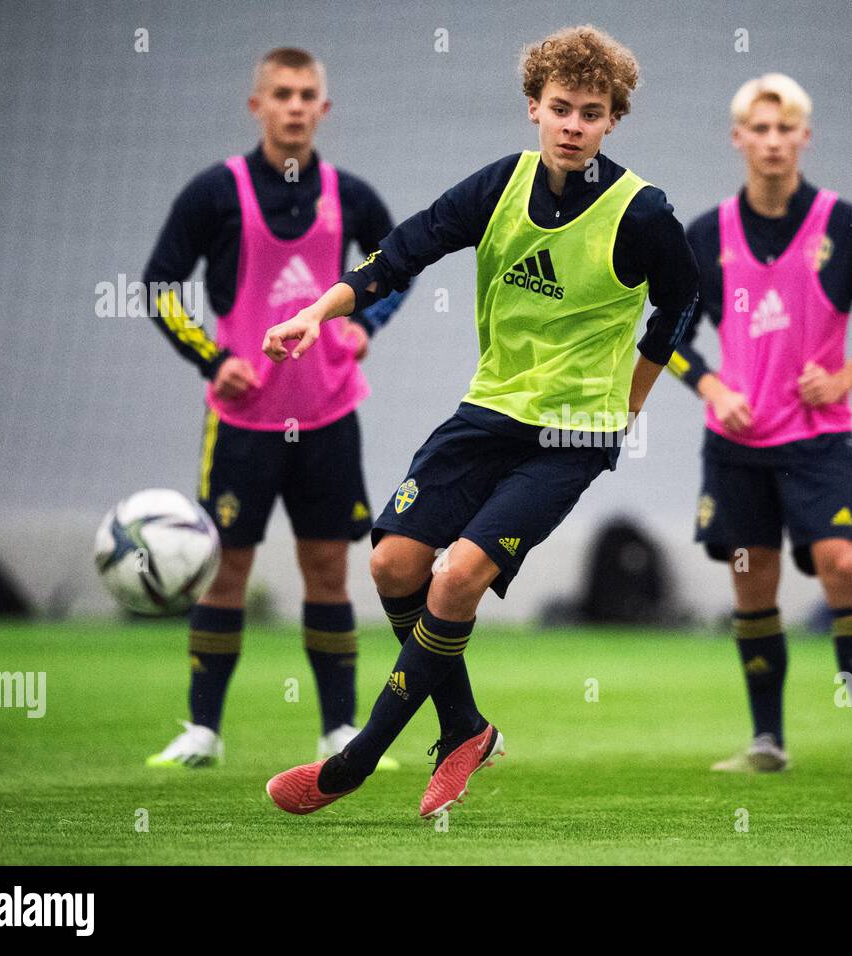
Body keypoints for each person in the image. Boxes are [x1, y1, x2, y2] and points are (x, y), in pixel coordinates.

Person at [261, 25, 699, 818]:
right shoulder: (500, 186)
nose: (573, 125)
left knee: (459, 573)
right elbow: (401, 253)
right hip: (488, 412)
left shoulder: (643, 213)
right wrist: (315, 314)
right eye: (560, 108)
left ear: (612, 121)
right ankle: (464, 728)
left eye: (591, 112)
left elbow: (684, 300)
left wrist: (629, 404)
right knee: (395, 566)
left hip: (573, 434)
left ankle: (353, 763)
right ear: (534, 107)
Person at [142, 48, 405, 769]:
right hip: (241, 424)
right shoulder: (214, 193)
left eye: (307, 95)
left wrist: (366, 324)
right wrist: (210, 358)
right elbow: (160, 284)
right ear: (256, 105)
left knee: (328, 570)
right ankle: (202, 731)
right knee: (223, 570)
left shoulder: (350, 196)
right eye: (281, 94)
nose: (294, 106)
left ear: (325, 109)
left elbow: (399, 268)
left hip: (327, 415)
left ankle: (339, 733)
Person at [669, 74, 852, 777]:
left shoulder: (847, 227)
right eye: (760, 129)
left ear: (804, 137)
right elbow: (668, 338)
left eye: (786, 129)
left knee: (843, 566)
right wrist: (713, 386)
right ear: (738, 139)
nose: (773, 142)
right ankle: (767, 743)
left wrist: (846, 377)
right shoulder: (705, 235)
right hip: (737, 451)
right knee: (753, 582)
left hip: (819, 444)